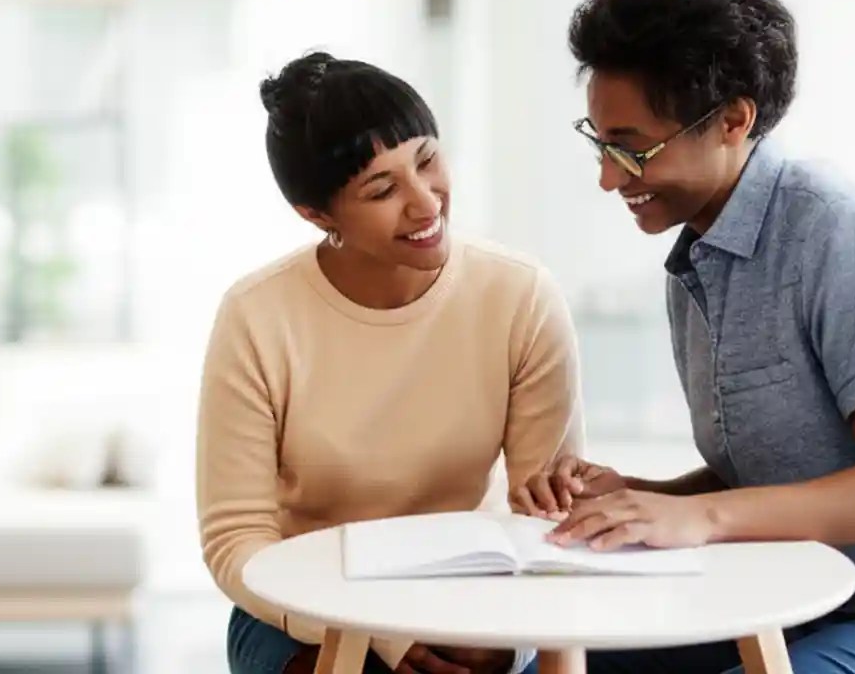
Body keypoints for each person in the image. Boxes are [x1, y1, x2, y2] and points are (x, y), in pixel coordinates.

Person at [512, 0, 855, 672]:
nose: (609, 177)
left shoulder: (836, 230)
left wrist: (696, 517)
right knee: (555, 661)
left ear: (734, 119)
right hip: (788, 590)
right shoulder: (695, 260)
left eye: (633, 149)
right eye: (601, 142)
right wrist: (639, 496)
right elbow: (769, 481)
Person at [198, 51, 585, 674]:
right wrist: (371, 631)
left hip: (476, 596)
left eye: (427, 160)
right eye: (382, 189)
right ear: (318, 215)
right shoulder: (258, 315)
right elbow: (235, 542)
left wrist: (518, 646)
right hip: (305, 604)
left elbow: (551, 521)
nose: (426, 202)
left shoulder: (520, 296)